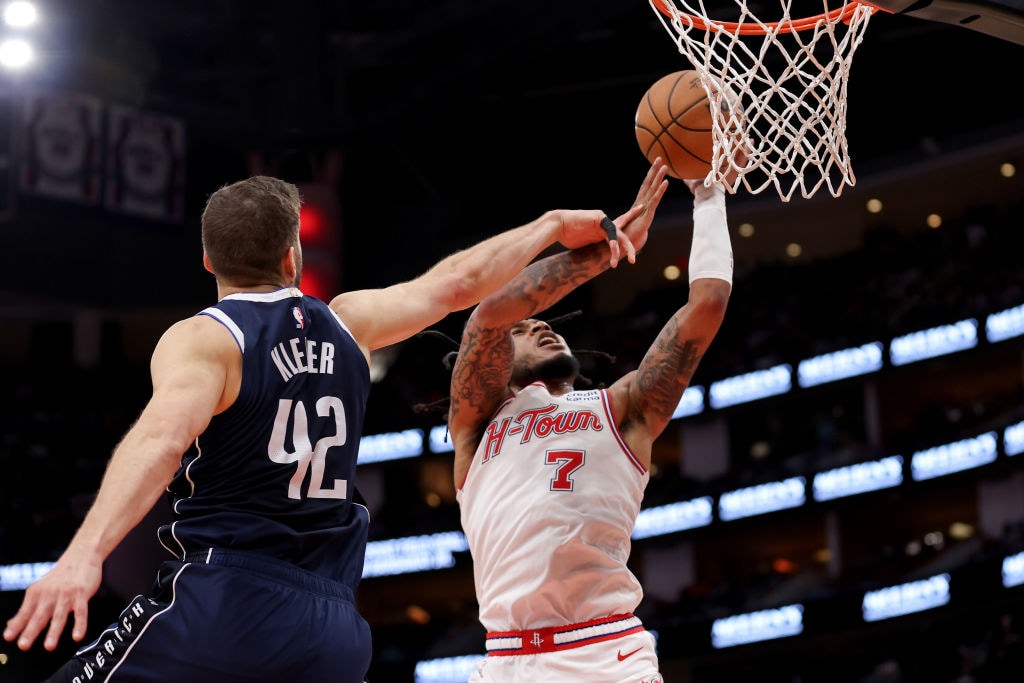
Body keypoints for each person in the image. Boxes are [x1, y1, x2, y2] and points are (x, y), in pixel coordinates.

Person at [2, 172, 656, 683]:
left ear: (207, 261)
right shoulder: (347, 321)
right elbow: (457, 283)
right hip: (333, 630)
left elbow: (161, 438)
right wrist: (550, 225)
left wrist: (84, 556)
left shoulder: (205, 339)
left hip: (224, 599)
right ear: (292, 255)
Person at [446, 164, 733, 682]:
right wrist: (606, 250)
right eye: (525, 329)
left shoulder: (621, 409)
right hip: (506, 661)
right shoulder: (477, 423)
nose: (539, 324)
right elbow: (490, 314)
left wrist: (708, 196)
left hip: (605, 653)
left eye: (543, 324)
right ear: (495, 363)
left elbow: (707, 304)